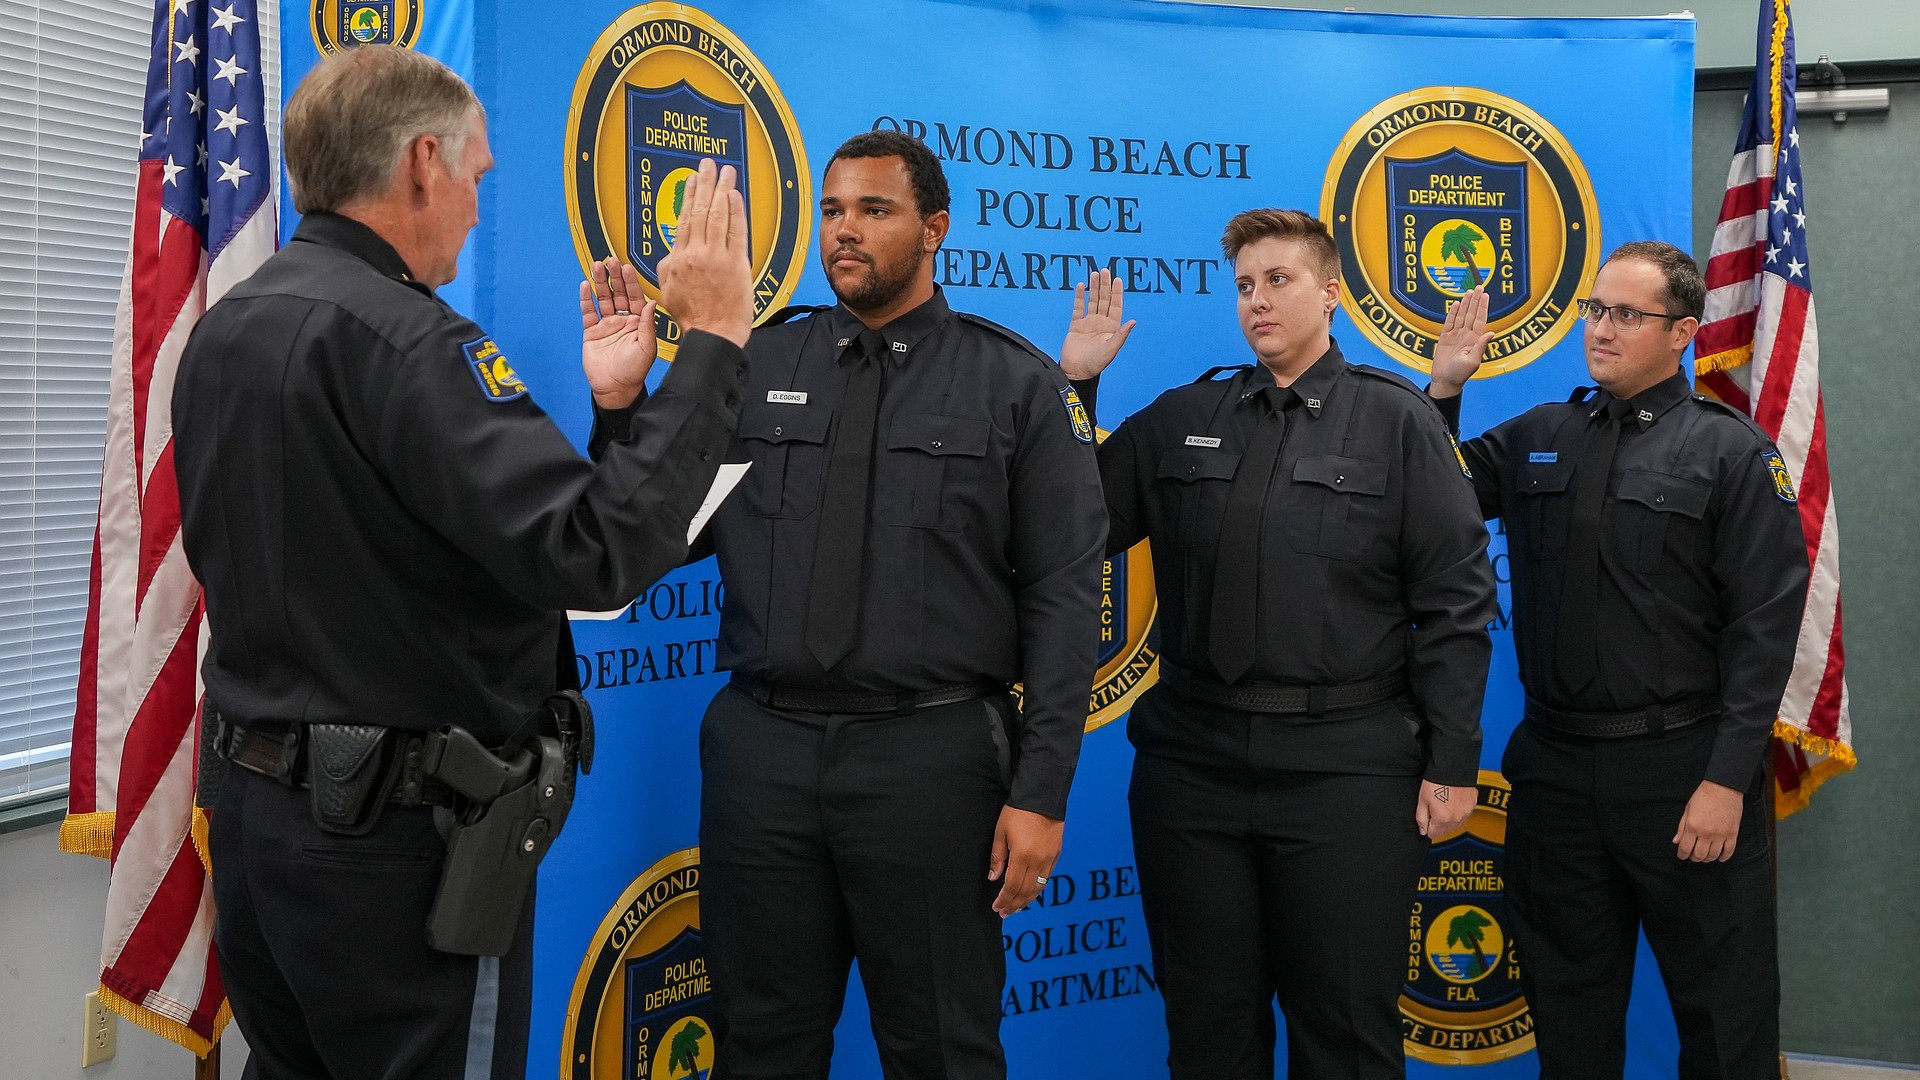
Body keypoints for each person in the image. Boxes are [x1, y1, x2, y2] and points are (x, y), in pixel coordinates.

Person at [172, 46, 754, 1080]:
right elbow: (597, 554)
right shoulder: (406, 343)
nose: (479, 208)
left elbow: (450, 552)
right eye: (478, 178)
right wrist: (709, 342)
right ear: (423, 164)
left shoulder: (230, 327)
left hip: (262, 828)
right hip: (392, 858)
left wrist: (620, 409)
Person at [589, 130, 1106, 1079]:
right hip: (762, 756)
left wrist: (1041, 791)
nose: (845, 233)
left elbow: (1068, 601)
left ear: (934, 228)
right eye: (832, 211)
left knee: (942, 1046)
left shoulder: (1014, 383)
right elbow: (650, 535)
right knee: (761, 1042)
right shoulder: (752, 362)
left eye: (874, 210)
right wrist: (622, 409)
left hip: (932, 761)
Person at [1061, 209, 1497, 1079]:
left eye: (1278, 281)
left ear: (1330, 294)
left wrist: (1453, 761)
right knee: (1208, 1027)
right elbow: (1068, 528)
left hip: (1347, 772)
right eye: (1245, 286)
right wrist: (1076, 388)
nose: (1257, 302)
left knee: (1345, 1031)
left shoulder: (1397, 422)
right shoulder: (1186, 414)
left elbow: (1455, 601)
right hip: (1194, 769)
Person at [1426, 241, 1808, 1079]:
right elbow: (1433, 501)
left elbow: (1765, 630)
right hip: (1557, 773)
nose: (1601, 329)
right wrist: (1446, 388)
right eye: (1596, 311)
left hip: (1684, 772)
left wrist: (1724, 781)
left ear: (1683, 334)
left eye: (1626, 315)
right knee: (1568, 1017)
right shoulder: (1540, 435)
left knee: (1725, 1020)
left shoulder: (1731, 453)